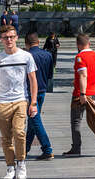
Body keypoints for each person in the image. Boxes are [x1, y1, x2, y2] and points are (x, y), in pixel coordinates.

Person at [0, 24, 39, 179]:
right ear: (1, 40)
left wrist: (33, 102)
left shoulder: (26, 56)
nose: (9, 40)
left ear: (16, 38)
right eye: (5, 37)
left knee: (19, 133)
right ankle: (10, 167)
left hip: (20, 100)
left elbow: (33, 80)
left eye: (11, 37)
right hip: (2, 102)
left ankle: (21, 163)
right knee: (6, 138)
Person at [24, 31, 56, 160]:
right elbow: (50, 75)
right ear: (38, 42)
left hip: (30, 92)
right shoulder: (48, 55)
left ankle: (47, 149)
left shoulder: (26, 56)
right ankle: (24, 149)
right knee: (33, 121)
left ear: (27, 44)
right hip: (42, 90)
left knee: (35, 121)